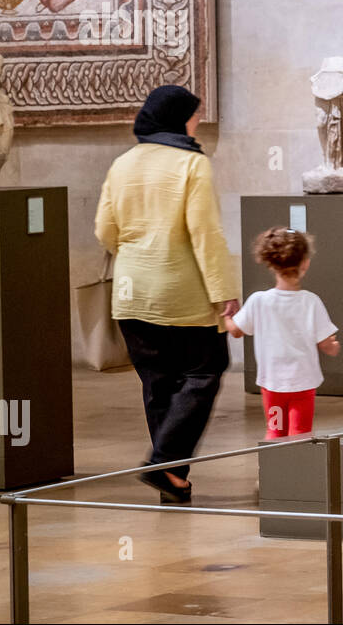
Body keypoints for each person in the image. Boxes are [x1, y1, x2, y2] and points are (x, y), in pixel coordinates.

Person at [94, 85, 238, 504]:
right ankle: (164, 461)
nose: (197, 122)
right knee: (204, 371)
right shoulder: (192, 164)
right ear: (178, 118)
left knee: (159, 384)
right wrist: (224, 293)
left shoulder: (121, 164)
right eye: (194, 115)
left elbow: (104, 230)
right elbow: (205, 234)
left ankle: (171, 480)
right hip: (182, 294)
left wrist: (136, 257)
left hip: (130, 293)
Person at [228, 228, 340, 439]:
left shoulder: (258, 300)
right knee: (300, 433)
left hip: (271, 382)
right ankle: (298, 469)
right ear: (304, 263)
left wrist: (226, 317)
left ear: (271, 264)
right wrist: (333, 347)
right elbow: (326, 343)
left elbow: (235, 331)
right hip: (304, 382)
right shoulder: (311, 301)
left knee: (275, 430)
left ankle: (275, 468)